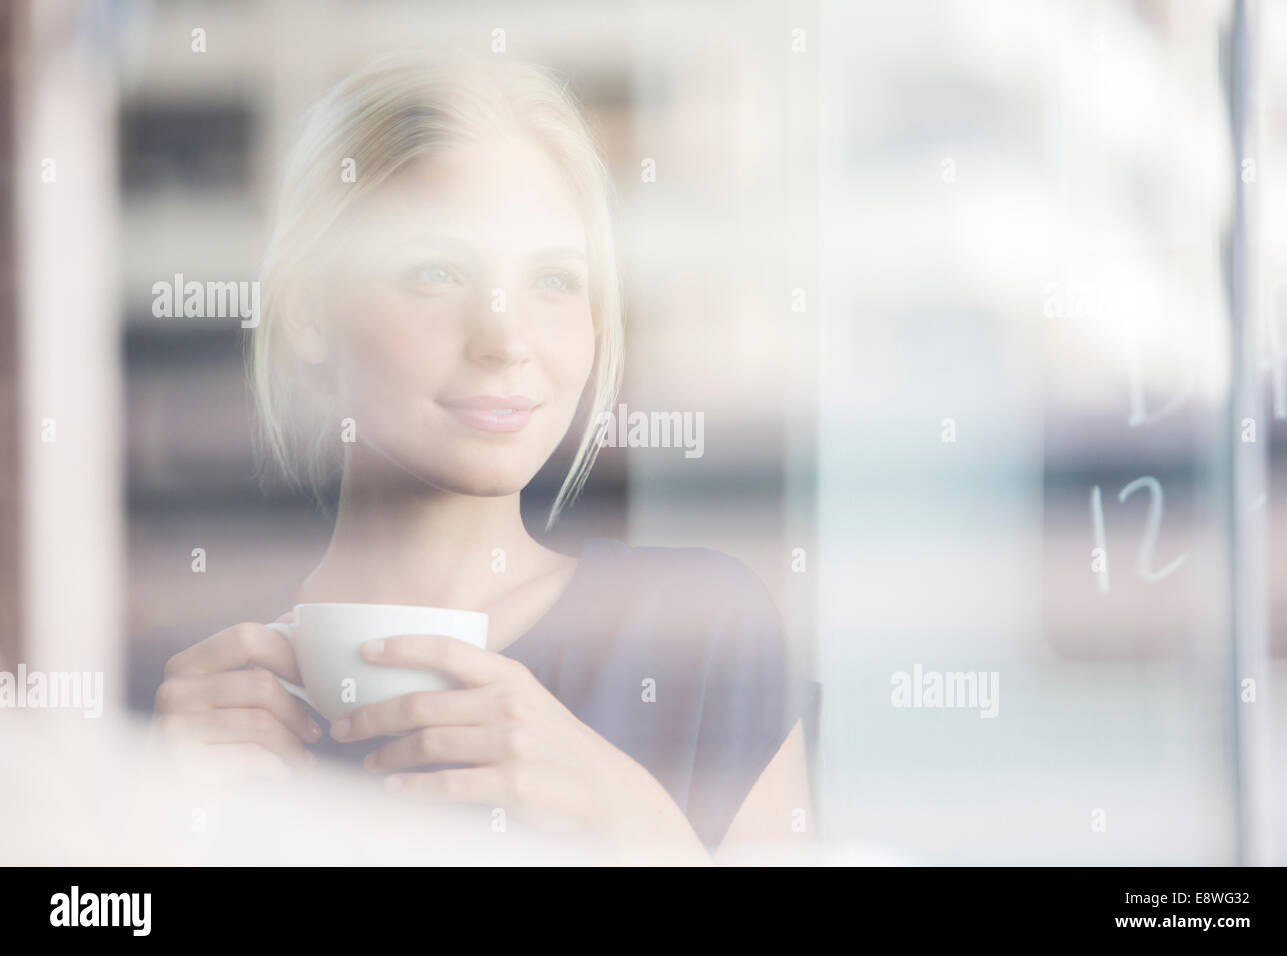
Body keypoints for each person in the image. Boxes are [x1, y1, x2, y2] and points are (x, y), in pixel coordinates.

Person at [153, 51, 816, 862]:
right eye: (436, 272)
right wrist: (142, 826)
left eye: (554, 280)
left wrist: (630, 822)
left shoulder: (704, 632)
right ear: (308, 315)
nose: (504, 339)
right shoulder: (190, 685)